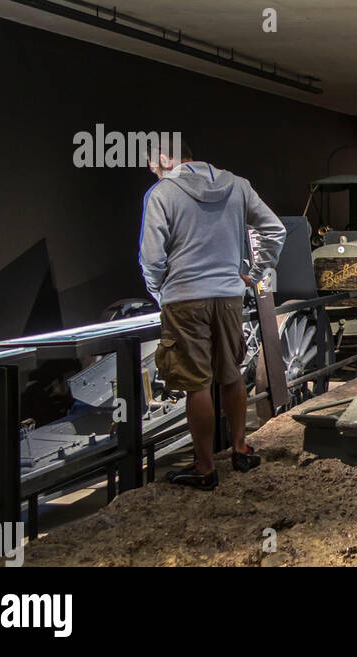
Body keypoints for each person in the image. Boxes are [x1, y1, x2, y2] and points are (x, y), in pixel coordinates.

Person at [140, 140, 287, 490]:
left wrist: (161, 291)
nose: (154, 173)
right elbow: (275, 230)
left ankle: (205, 467)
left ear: (165, 159)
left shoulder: (162, 193)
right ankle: (239, 448)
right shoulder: (237, 185)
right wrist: (254, 272)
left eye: (153, 166)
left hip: (184, 299)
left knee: (196, 384)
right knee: (231, 373)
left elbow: (151, 256)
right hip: (228, 295)